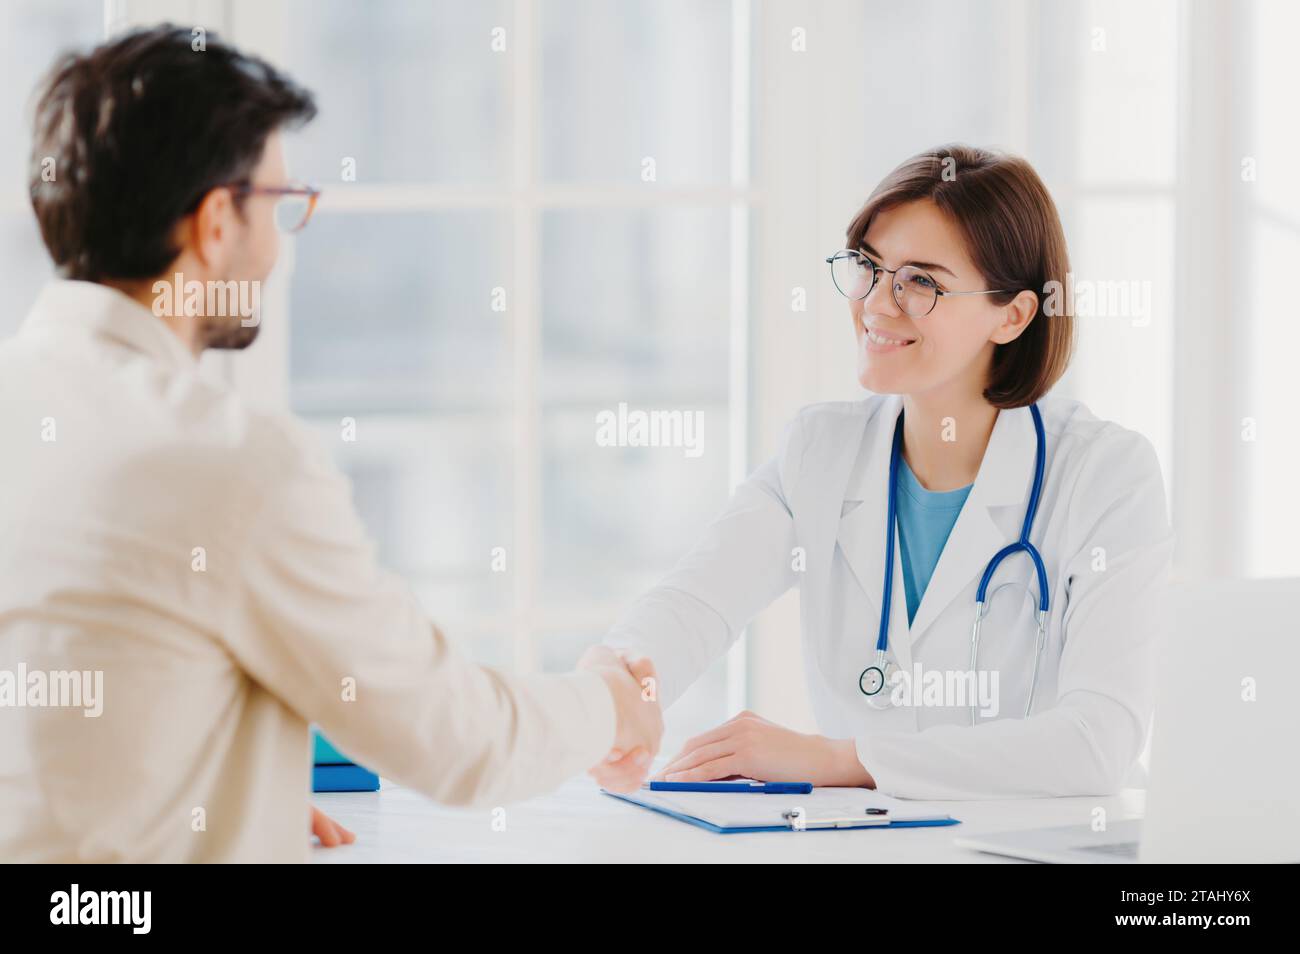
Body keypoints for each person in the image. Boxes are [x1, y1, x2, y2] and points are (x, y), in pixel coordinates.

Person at [0, 25, 660, 863]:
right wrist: (609, 703)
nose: (280, 244)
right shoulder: (227, 463)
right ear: (214, 225)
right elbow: (460, 741)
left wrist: (222, 786)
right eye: (278, 206)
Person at [601, 145, 1174, 800]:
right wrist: (614, 685)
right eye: (870, 268)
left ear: (1013, 315)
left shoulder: (1104, 475)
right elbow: (695, 603)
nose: (877, 303)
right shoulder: (821, 451)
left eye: (921, 281)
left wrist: (837, 759)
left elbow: (1095, 743)